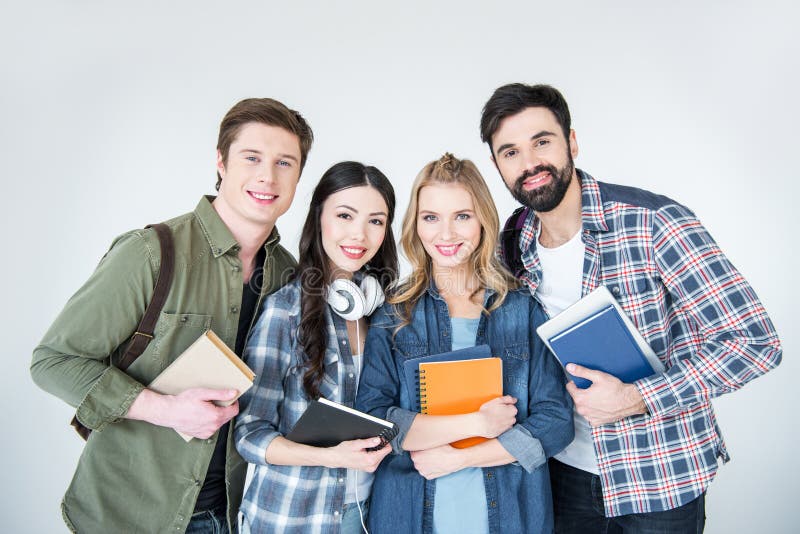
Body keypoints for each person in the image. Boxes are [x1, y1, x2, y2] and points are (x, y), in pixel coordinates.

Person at [480, 83, 783, 532]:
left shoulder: (655, 222)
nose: (529, 163)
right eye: (511, 152)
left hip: (659, 478)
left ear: (572, 142)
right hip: (561, 476)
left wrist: (637, 398)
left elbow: (756, 343)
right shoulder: (513, 240)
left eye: (542, 142)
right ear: (497, 166)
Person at [30, 97, 313, 533]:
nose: (267, 176)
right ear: (221, 161)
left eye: (284, 163)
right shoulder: (150, 253)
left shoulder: (288, 275)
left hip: (232, 515)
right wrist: (164, 409)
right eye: (252, 157)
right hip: (127, 517)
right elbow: (52, 362)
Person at [356, 153, 574, 534]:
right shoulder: (394, 313)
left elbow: (555, 422)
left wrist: (461, 458)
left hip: (511, 518)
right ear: (415, 224)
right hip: (408, 517)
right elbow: (374, 421)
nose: (446, 234)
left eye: (462, 216)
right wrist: (476, 424)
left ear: (483, 220)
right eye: (431, 217)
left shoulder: (521, 308)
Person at [234, 161, 399, 533]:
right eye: (345, 215)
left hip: (365, 514)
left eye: (375, 221)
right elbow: (249, 435)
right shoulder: (285, 310)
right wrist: (332, 457)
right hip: (293, 517)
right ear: (319, 217)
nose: (359, 234)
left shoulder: (385, 312)